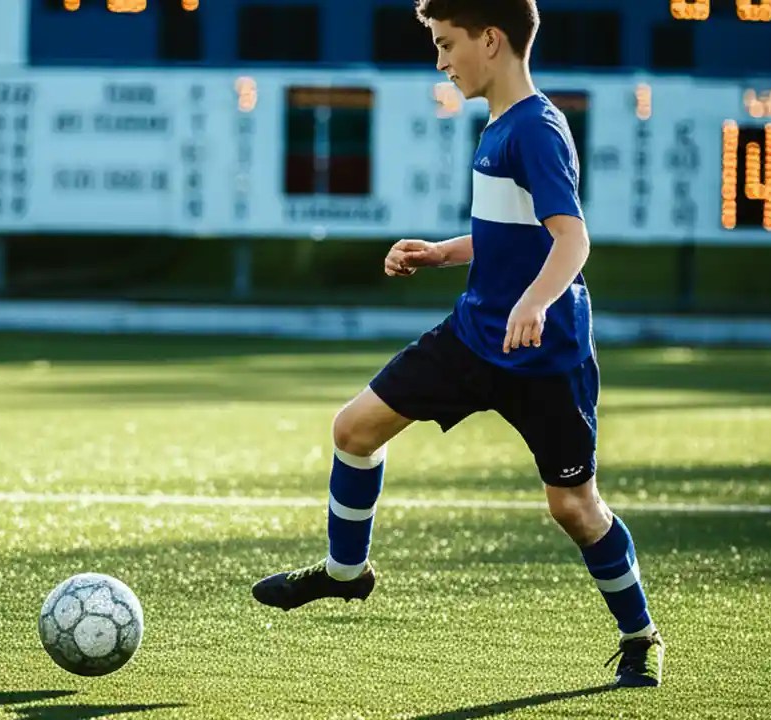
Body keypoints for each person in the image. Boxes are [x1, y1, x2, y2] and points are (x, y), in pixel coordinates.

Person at [250, 0, 664, 688]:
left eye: (447, 45)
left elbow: (572, 238)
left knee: (574, 509)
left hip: (544, 359)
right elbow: (513, 234)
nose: (440, 60)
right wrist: (441, 253)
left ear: (491, 40)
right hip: (474, 339)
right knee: (355, 429)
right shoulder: (499, 125)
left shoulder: (537, 129)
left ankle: (640, 635)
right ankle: (347, 572)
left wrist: (535, 301)